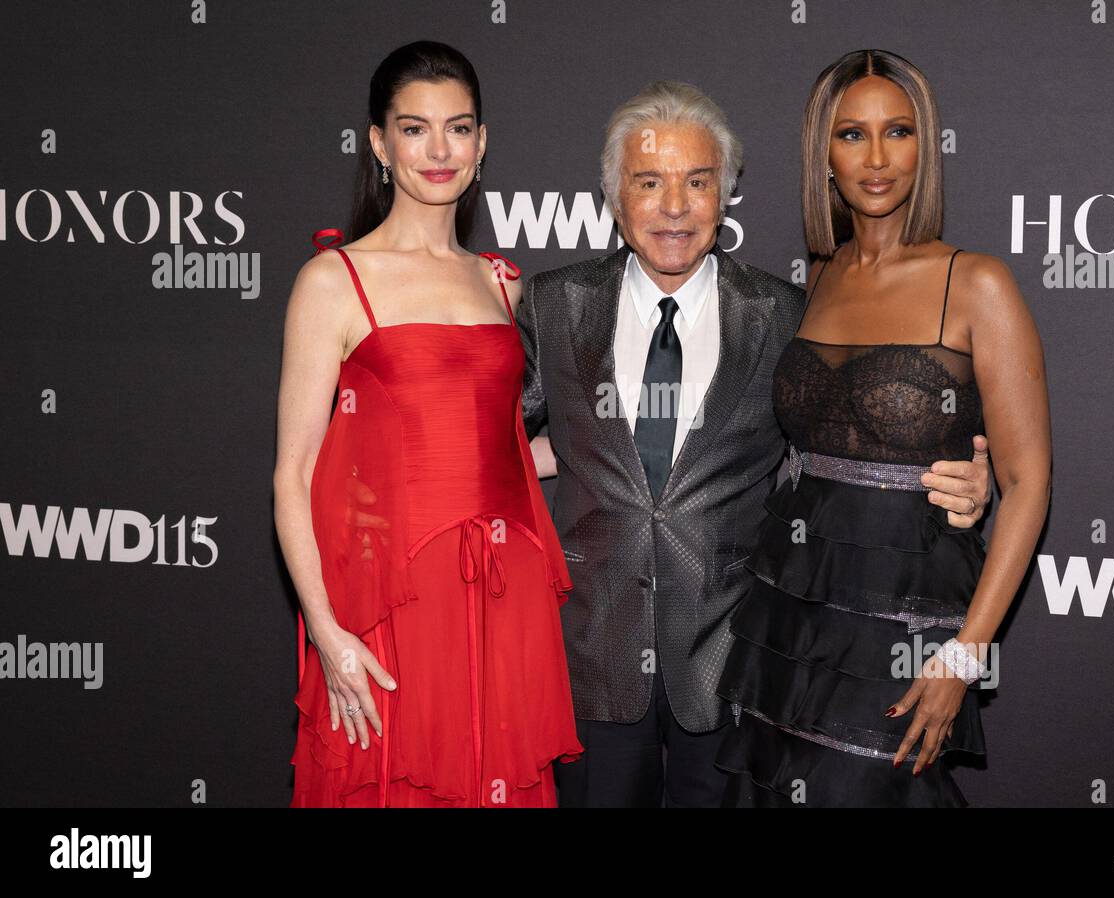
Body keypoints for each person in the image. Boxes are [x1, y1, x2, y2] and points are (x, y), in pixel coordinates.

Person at [518, 80, 993, 808]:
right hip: (587, 654)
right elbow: (487, 437)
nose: (675, 207)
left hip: (736, 660)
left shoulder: (786, 314)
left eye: (697, 181)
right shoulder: (554, 303)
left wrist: (959, 481)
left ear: (725, 196)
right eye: (649, 182)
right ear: (615, 197)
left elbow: (844, 448)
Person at [713, 49, 1053, 807]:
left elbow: (1027, 483)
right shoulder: (819, 276)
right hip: (792, 614)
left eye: (898, 132)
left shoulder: (977, 282)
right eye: (851, 134)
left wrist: (964, 657)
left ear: (925, 145)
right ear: (823, 153)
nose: (876, 159)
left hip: (905, 621)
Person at [273, 41, 581, 807]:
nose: (439, 150)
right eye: (415, 129)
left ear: (482, 142)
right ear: (379, 144)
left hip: (502, 596)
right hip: (391, 603)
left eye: (458, 128)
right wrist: (327, 633)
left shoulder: (501, 284)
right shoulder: (333, 280)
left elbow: (501, 448)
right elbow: (294, 472)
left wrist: (622, 443)